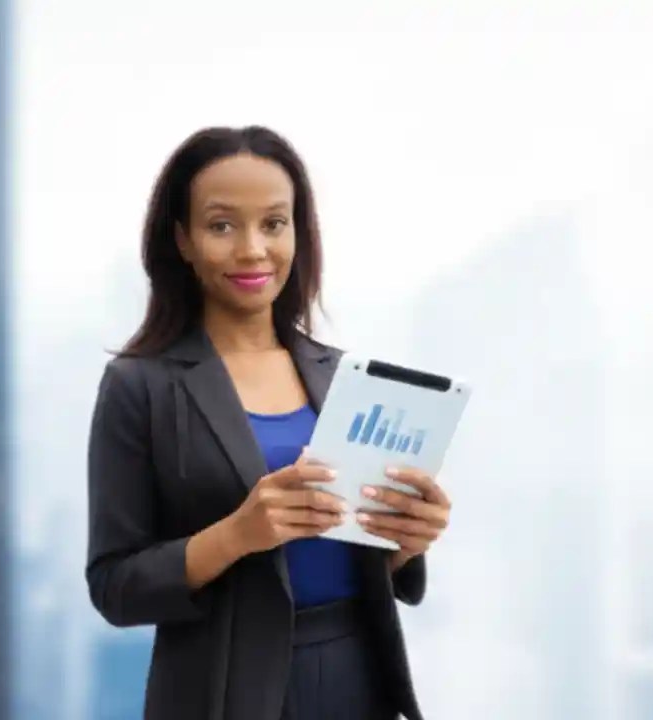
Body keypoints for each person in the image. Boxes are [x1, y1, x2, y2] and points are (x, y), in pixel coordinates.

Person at [85, 126, 453, 720]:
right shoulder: (141, 385)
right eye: (222, 225)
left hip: (358, 676)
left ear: (298, 235)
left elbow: (361, 561)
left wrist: (406, 543)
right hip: (222, 688)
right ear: (182, 239)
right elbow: (114, 586)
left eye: (274, 224)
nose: (253, 249)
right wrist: (236, 534)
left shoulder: (341, 378)